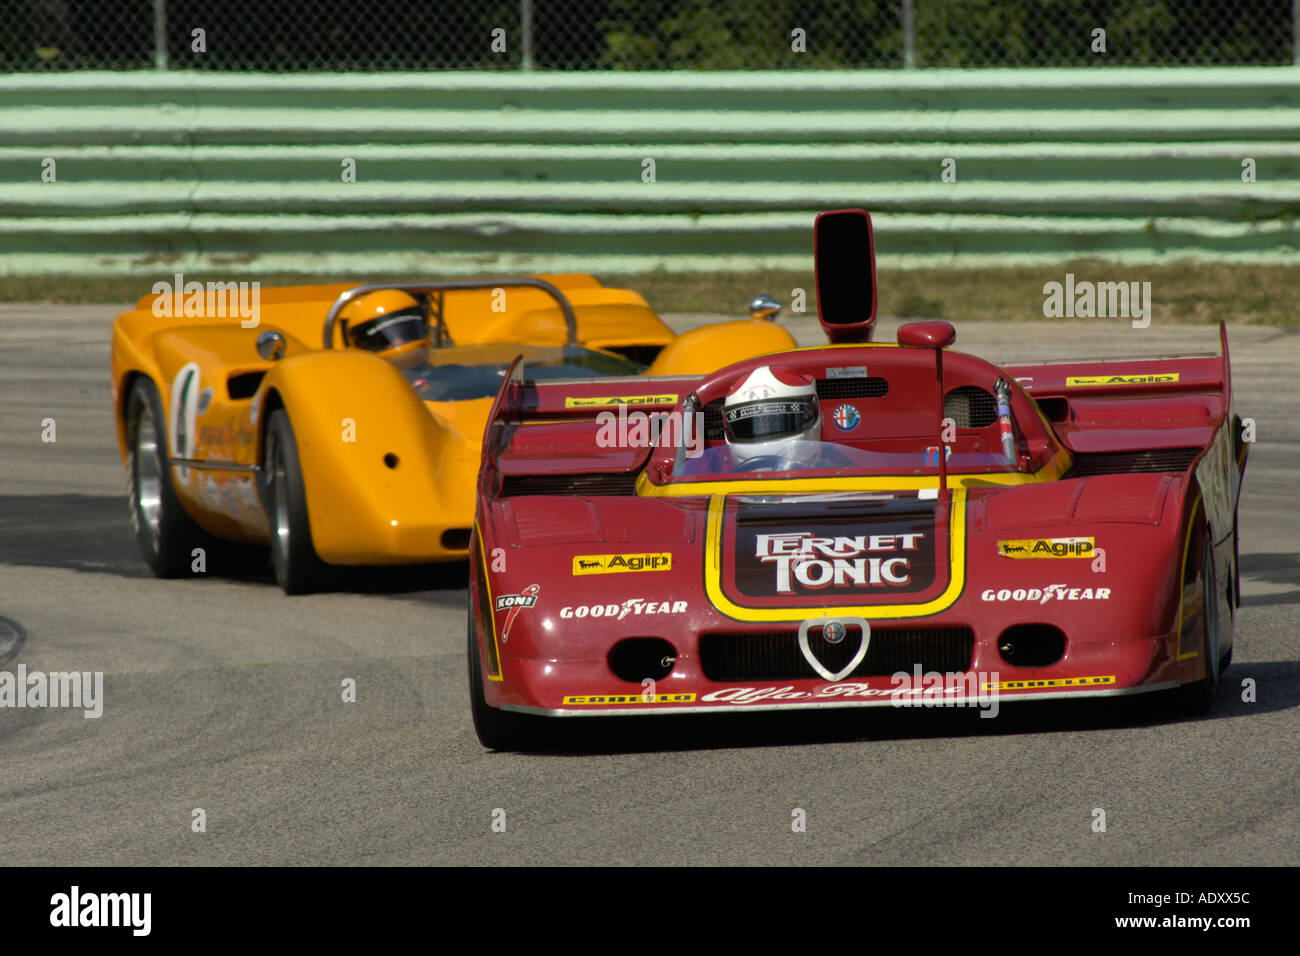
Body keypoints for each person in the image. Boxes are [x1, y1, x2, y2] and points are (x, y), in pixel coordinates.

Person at [710, 365, 855, 472]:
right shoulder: (716, 482)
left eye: (778, 421)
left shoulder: (841, 473)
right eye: (750, 424)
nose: (766, 428)